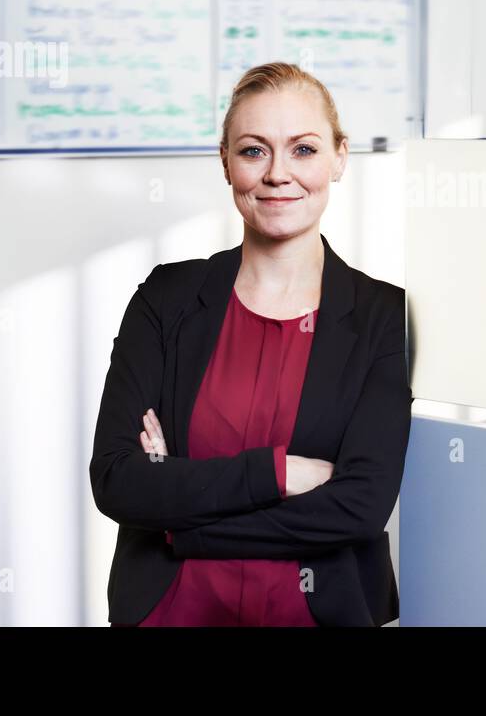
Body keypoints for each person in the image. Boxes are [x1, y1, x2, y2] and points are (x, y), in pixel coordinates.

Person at [90, 62, 411, 626]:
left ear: (340, 157)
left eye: (304, 150)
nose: (278, 174)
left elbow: (360, 508)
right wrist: (280, 475)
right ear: (225, 161)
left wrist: (176, 517)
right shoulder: (166, 299)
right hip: (170, 611)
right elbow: (119, 481)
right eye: (254, 151)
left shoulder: (382, 315)